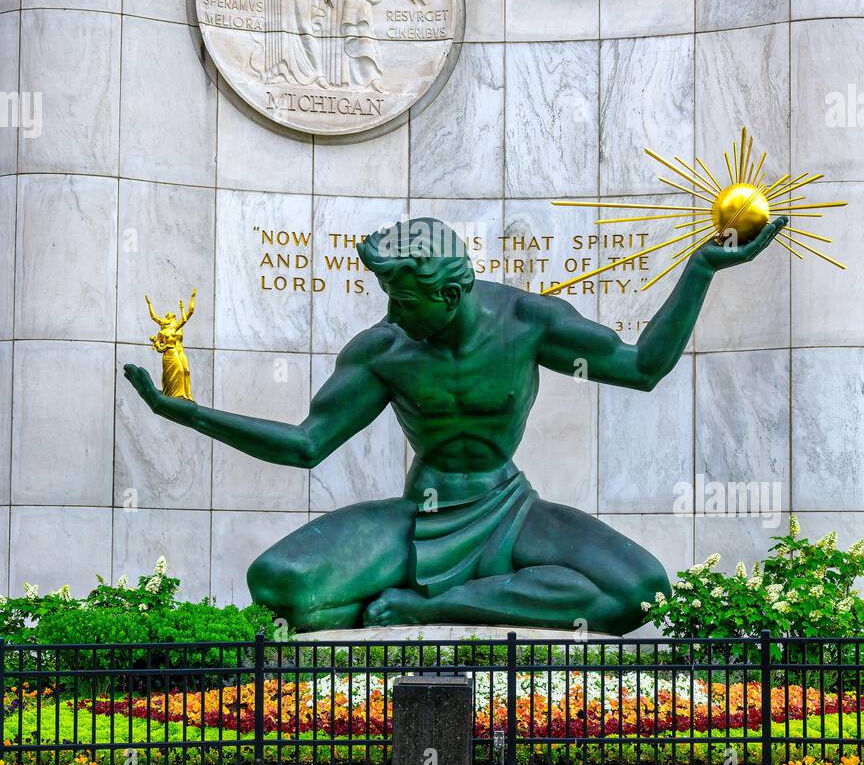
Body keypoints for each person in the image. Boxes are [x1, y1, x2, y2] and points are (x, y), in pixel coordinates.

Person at [124, 213, 786, 634]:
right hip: (423, 512)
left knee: (640, 592)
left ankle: (431, 603)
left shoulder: (530, 324)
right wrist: (190, 414)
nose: (392, 309)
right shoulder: (385, 350)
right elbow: (306, 445)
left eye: (402, 296)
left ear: (449, 293)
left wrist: (701, 269)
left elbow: (642, 368)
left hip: (510, 507)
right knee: (280, 582)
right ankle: (448, 587)